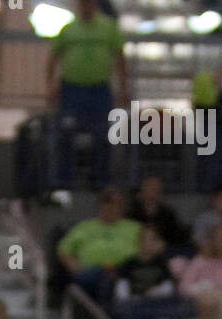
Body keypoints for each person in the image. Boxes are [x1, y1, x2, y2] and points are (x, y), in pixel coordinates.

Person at [46, 0, 129, 189]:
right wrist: (50, 86)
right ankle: (64, 182)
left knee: (102, 134)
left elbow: (120, 58)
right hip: (72, 92)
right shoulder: (68, 30)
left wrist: (123, 87)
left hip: (99, 92)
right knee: (66, 132)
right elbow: (53, 58)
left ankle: (101, 182)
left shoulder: (108, 28)